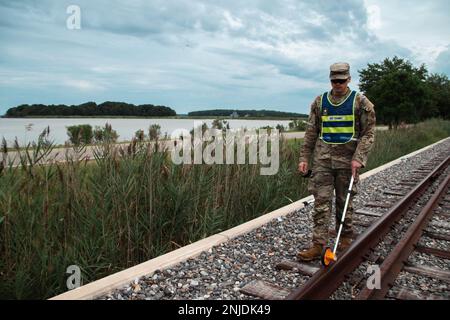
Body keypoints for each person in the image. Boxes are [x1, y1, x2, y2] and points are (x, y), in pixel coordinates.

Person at [297, 62, 376, 261]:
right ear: (330, 80)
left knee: (345, 201)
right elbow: (310, 133)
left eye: (341, 80)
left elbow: (368, 133)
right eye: (334, 81)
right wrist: (304, 158)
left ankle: (345, 237)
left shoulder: (360, 102)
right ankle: (318, 244)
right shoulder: (320, 102)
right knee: (321, 202)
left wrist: (359, 158)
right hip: (322, 161)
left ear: (348, 79)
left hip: (348, 162)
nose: (338, 84)